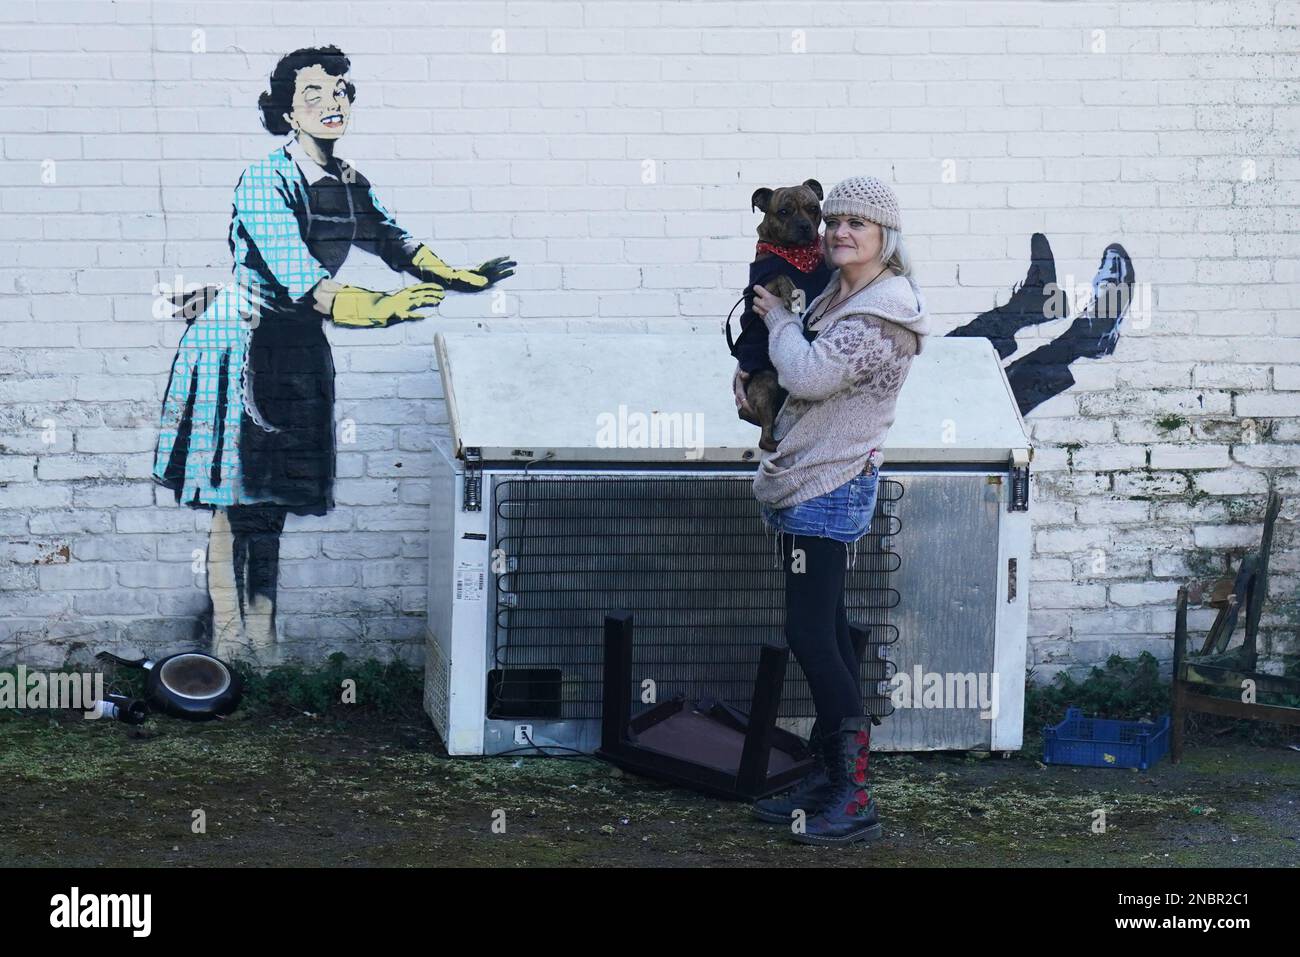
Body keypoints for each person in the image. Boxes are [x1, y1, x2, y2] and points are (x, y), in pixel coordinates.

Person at [153, 46, 515, 663]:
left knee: (272, 501)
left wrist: (462, 276)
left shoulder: (348, 182)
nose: (332, 103)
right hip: (241, 346)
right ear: (287, 111)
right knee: (235, 499)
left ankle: (260, 641)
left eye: (341, 90)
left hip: (297, 351)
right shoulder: (265, 180)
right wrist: (386, 308)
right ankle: (228, 638)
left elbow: (394, 240)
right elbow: (305, 281)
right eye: (313, 94)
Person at [733, 176, 929, 845]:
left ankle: (853, 791)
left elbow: (810, 373)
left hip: (831, 484)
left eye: (857, 224)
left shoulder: (882, 309)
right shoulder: (842, 291)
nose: (839, 231)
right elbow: (798, 382)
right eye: (835, 220)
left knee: (811, 633)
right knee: (831, 628)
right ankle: (827, 772)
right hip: (809, 475)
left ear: (885, 237)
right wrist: (756, 385)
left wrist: (780, 323)